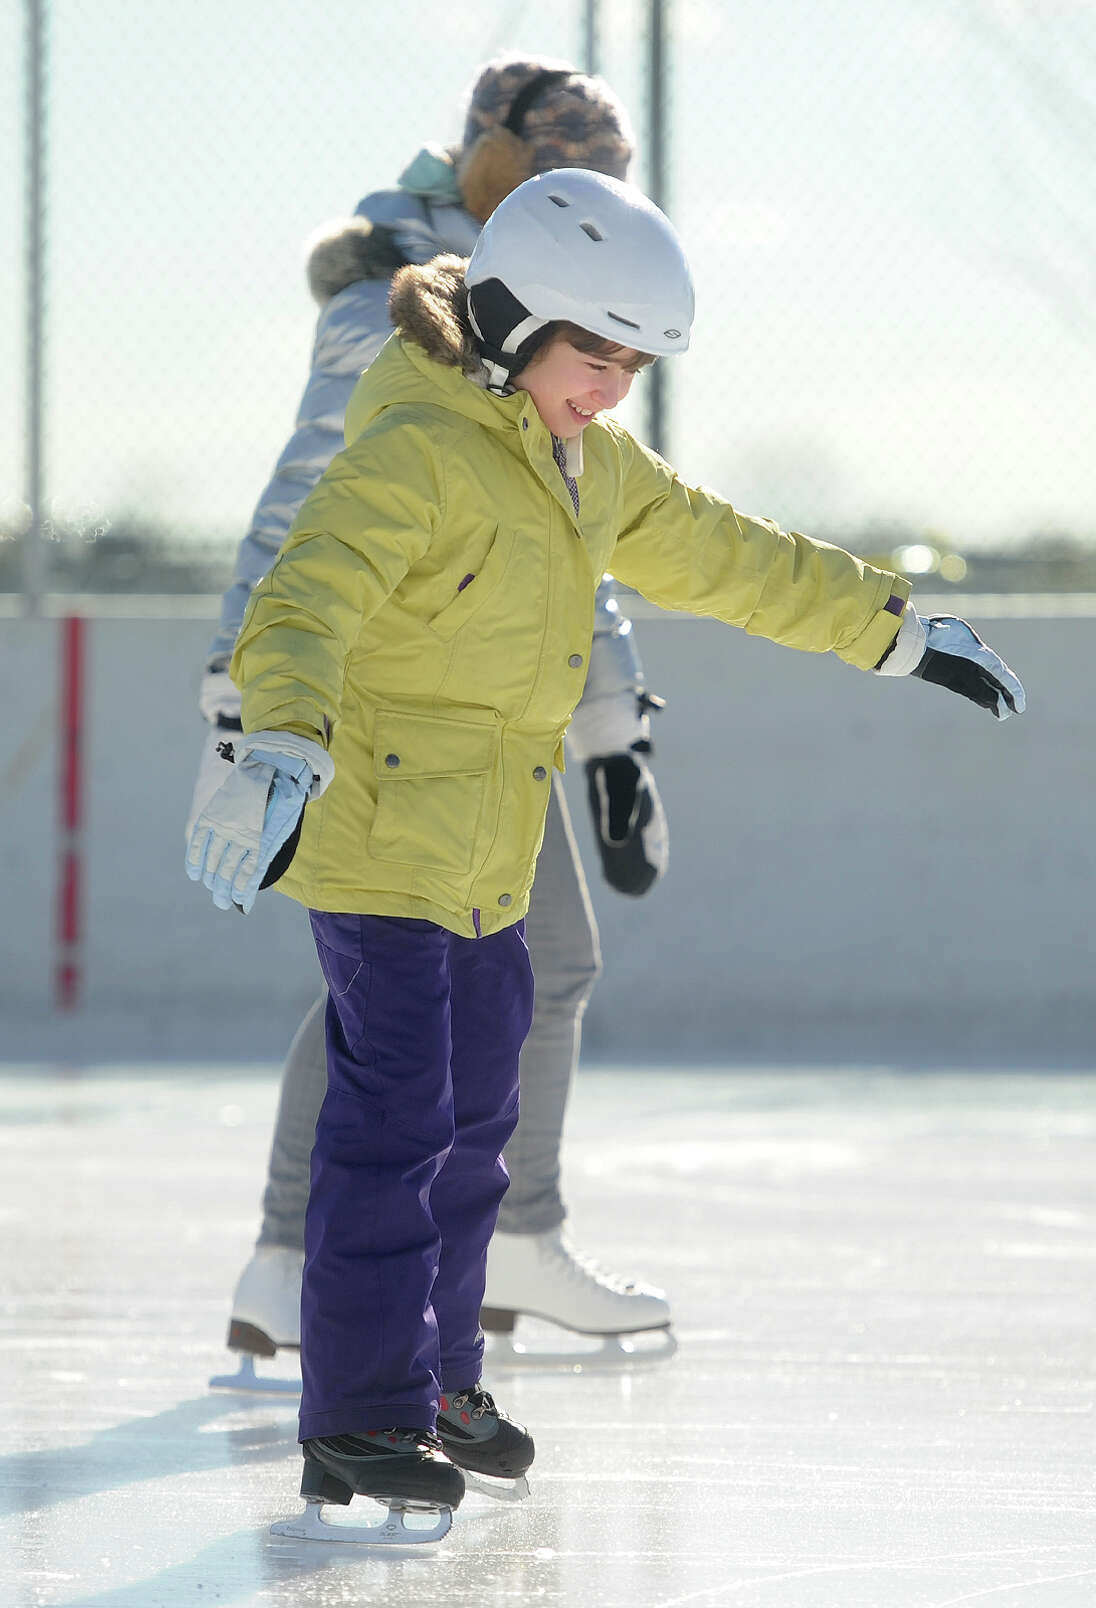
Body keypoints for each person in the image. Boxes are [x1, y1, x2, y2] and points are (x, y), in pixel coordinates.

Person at [186, 166, 1025, 1536]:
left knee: (474, 1136)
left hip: (490, 860)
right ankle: (353, 1417)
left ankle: (441, 1385)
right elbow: (305, 596)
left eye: (634, 363)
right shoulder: (416, 447)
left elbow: (730, 553)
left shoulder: (586, 466)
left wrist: (896, 630)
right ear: (516, 323)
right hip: (383, 844)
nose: (615, 387)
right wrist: (279, 741)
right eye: (598, 354)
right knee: (390, 1127)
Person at [188, 56, 675, 1383]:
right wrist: (253, 703)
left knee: (468, 969)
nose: (586, 196)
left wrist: (615, 731)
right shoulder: (415, 309)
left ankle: (369, 1253)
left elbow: (568, 535)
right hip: (376, 692)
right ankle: (339, 1254)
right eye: (563, 170)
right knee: (431, 969)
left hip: (466, 696)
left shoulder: (536, 302)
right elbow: (319, 510)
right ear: (489, 158)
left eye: (604, 182)